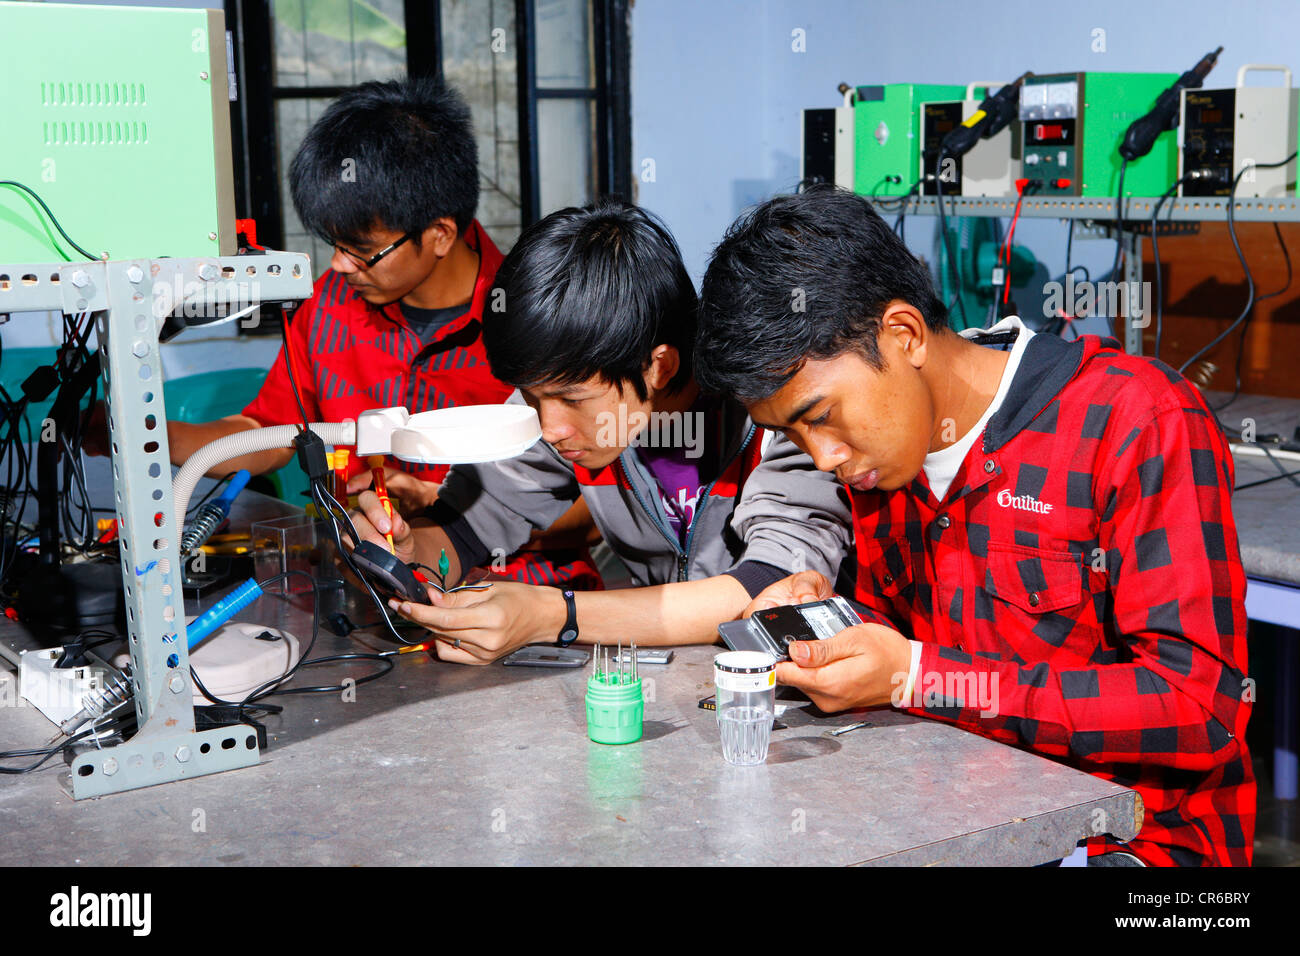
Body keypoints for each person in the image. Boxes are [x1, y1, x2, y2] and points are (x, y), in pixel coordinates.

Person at [692, 185, 1253, 867]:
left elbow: (1200, 708)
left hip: (1132, 845)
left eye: (820, 416)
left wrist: (918, 677)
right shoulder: (889, 459)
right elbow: (922, 638)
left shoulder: (1139, 421)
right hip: (967, 820)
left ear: (903, 335)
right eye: (791, 434)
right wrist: (836, 620)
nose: (824, 458)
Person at [88, 77, 598, 588]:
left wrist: (456, 514)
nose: (338, 263)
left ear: (439, 235)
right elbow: (270, 435)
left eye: (359, 247)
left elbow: (601, 514)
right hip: (366, 593)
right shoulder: (330, 302)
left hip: (523, 595)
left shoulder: (541, 320)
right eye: (333, 242)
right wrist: (151, 436)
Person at [347, 198, 853, 664]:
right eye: (530, 396)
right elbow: (466, 532)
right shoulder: (567, 396)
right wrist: (412, 553)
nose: (548, 427)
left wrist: (556, 615)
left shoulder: (772, 407)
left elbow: (768, 587)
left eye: (571, 399)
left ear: (658, 366)